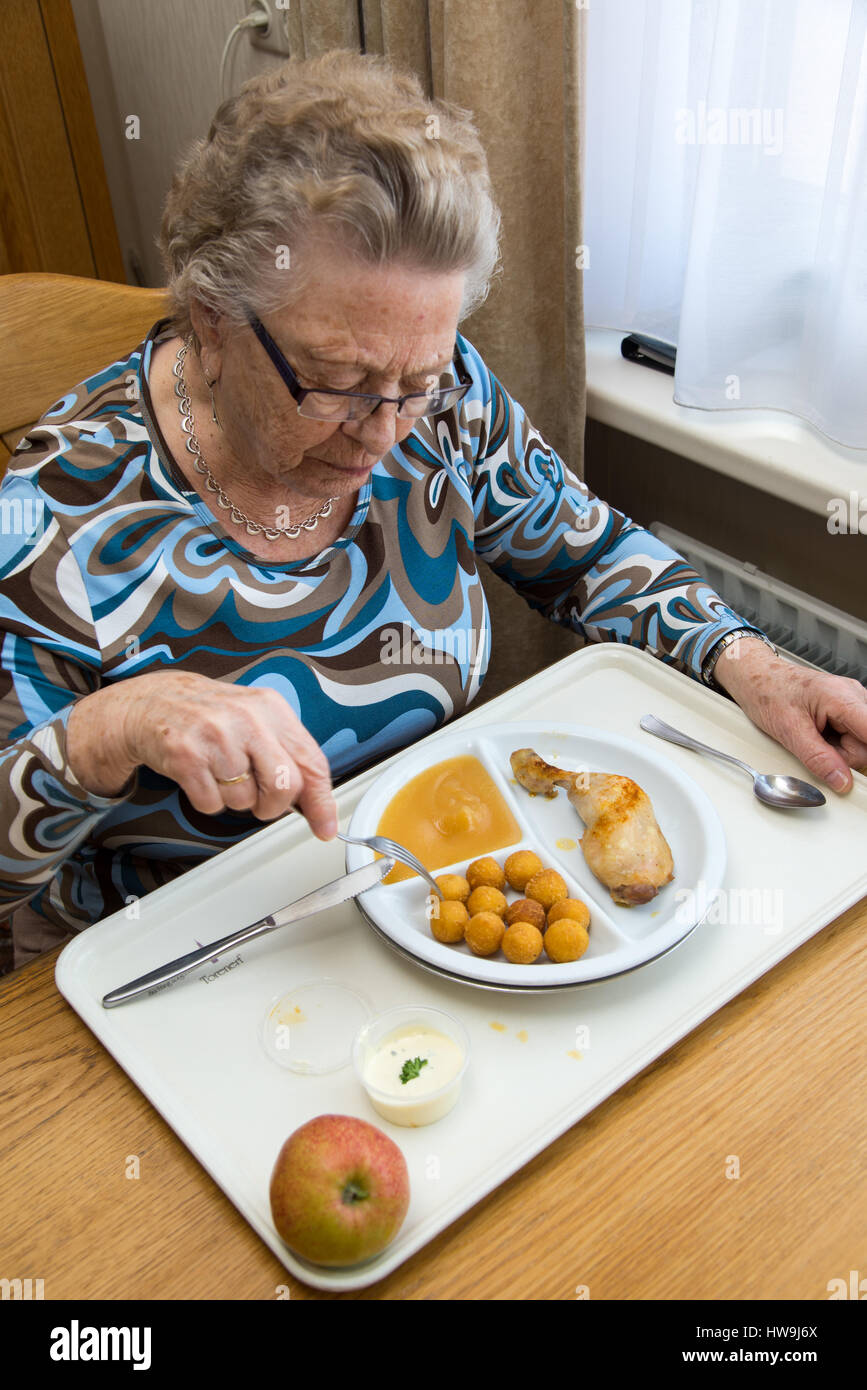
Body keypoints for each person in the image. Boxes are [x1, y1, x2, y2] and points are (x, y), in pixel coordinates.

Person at [1, 50, 865, 970]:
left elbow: (587, 556)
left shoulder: (442, 396)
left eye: (416, 379)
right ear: (212, 318)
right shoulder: (59, 515)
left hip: (430, 892)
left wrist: (756, 665)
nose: (384, 433)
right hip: (204, 957)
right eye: (335, 382)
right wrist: (106, 730)